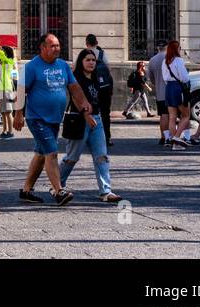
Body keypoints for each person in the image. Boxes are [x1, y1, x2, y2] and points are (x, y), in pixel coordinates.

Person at [16, 32, 95, 205]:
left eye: (58, 45)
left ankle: (26, 191)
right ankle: (59, 191)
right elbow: (21, 91)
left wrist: (85, 107)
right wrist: (18, 114)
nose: (57, 48)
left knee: (41, 154)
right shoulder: (31, 67)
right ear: (43, 48)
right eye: (52, 46)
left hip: (54, 119)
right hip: (37, 118)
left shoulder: (63, 66)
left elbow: (74, 88)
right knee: (51, 153)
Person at [59, 49, 122, 203]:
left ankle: (105, 191)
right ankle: (58, 184)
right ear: (81, 62)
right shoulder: (76, 79)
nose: (91, 63)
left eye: (93, 60)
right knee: (72, 157)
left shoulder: (96, 78)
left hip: (97, 120)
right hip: (80, 120)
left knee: (102, 156)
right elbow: (75, 98)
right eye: (88, 60)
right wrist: (86, 115)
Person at [85, 34, 115, 145]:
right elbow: (109, 70)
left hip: (90, 88)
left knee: (90, 113)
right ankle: (107, 138)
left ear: (87, 43)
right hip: (104, 88)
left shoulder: (84, 54)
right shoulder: (102, 54)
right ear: (96, 43)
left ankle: (91, 138)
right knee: (105, 114)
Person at [146, 42, 170, 146]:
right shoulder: (171, 58)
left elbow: (150, 77)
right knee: (173, 115)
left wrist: (157, 83)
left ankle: (163, 137)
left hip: (160, 92)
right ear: (167, 47)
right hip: (172, 91)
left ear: (158, 48)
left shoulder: (152, 60)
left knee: (163, 115)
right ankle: (172, 137)